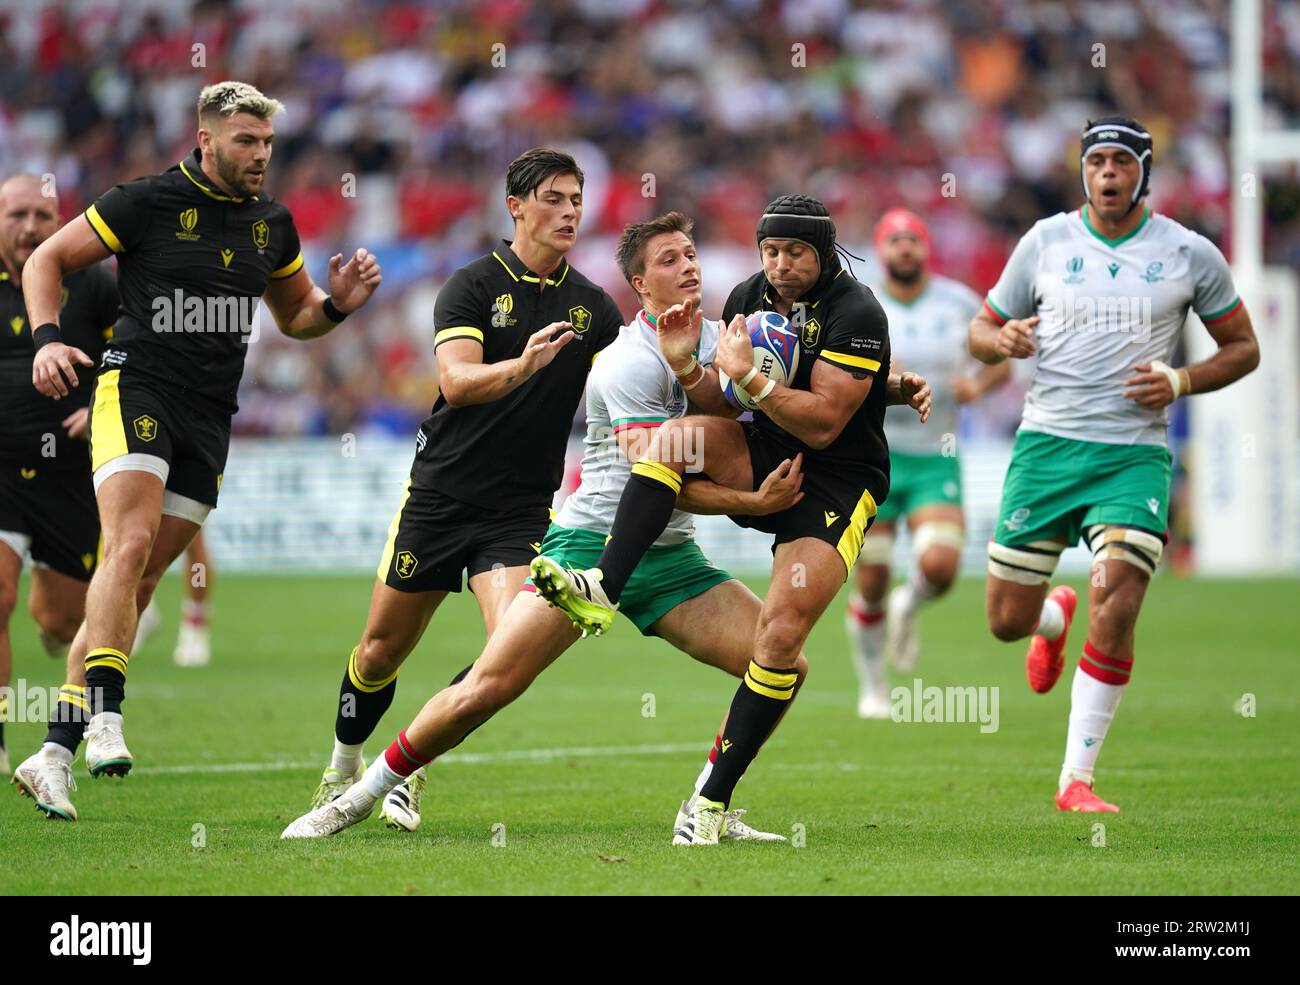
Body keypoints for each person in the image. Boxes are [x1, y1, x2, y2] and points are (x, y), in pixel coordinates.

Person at [12, 80, 382, 821]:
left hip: (211, 415)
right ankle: (107, 717)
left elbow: (298, 316)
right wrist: (48, 341)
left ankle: (51, 750)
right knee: (130, 540)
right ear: (207, 139)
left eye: (269, 145)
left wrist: (337, 302)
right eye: (248, 142)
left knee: (142, 577)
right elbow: (44, 261)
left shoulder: (272, 225)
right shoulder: (142, 202)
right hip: (136, 387)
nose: (261, 156)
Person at [532, 195, 930, 841]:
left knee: (778, 638)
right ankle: (604, 583)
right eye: (770, 250)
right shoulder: (751, 293)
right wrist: (690, 363)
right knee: (672, 441)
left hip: (836, 480)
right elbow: (722, 405)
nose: (780, 264)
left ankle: (707, 805)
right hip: (765, 448)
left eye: (794, 252)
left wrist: (761, 384)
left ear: (824, 251)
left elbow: (827, 424)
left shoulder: (857, 312)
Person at [304, 147, 625, 833]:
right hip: (441, 496)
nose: (570, 211)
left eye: (577, 199)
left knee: (508, 647)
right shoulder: (472, 286)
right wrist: (526, 362)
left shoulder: (595, 308)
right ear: (516, 206)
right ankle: (340, 763)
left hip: (518, 509)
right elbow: (456, 382)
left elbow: (631, 386)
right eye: (555, 198)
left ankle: (409, 768)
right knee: (378, 652)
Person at [970, 116, 1259, 812]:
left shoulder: (1189, 253)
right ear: (1082, 171)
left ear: (1144, 172)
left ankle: (1076, 779)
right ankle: (1049, 617)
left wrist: (1182, 381)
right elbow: (979, 333)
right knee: (1006, 619)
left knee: (1120, 595)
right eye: (1096, 161)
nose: (1106, 173)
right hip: (1047, 448)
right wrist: (1000, 337)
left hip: (1133, 453)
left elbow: (1243, 346)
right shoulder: (1044, 241)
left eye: (1120, 162)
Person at [846, 209, 1009, 718]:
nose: (905, 249)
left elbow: (1000, 360)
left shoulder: (958, 301)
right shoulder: (860, 304)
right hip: (873, 458)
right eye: (895, 241)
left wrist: (975, 386)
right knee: (870, 578)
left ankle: (909, 603)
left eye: (913, 240)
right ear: (881, 249)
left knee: (939, 566)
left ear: (926, 248)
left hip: (936, 457)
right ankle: (873, 687)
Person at [0, 173, 118, 779]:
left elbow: (132, 352)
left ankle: (64, 643)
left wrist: (98, 400)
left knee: (61, 621)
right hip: (1, 471)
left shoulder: (93, 285)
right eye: (17, 214)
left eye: (43, 216)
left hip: (69, 477)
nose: (29, 228)